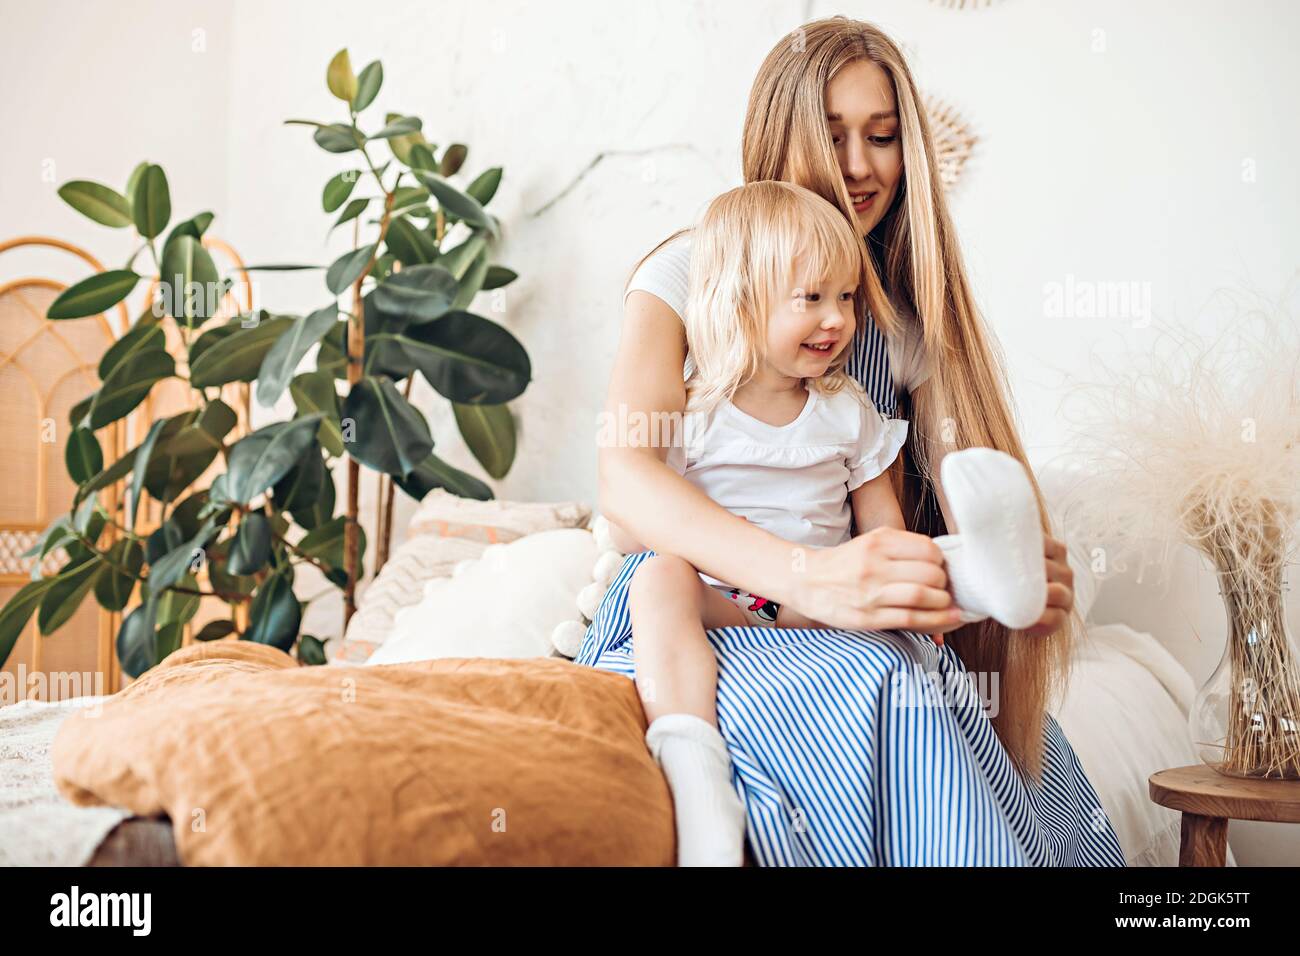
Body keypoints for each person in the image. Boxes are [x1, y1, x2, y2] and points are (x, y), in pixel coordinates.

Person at [578, 16, 1126, 866]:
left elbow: (957, 491)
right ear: (776, 134)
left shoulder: (903, 319)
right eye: (832, 136)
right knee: (881, 685)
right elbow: (628, 480)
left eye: (882, 136)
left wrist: (1007, 570)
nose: (862, 166)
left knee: (1004, 738)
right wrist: (811, 579)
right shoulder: (687, 275)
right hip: (704, 604)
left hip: (835, 612)